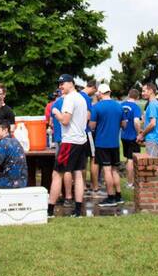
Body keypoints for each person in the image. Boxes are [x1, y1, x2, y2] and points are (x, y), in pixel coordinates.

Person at [49, 74, 90, 217]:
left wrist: (56, 112)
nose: (60, 87)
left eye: (63, 84)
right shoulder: (81, 98)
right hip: (81, 140)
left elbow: (65, 120)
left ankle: (50, 210)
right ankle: (78, 211)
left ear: (71, 83)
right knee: (78, 174)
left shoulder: (69, 98)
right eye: (59, 84)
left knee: (57, 174)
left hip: (69, 140)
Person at [88, 83, 124, 205]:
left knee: (107, 170)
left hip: (102, 143)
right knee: (115, 170)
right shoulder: (119, 106)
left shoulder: (97, 107)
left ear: (100, 93)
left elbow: (92, 126)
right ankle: (119, 196)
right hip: (115, 142)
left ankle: (111, 197)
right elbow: (124, 125)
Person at [120, 86, 142, 183]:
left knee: (128, 159)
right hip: (133, 136)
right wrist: (139, 134)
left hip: (123, 136)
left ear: (128, 95)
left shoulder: (121, 105)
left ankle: (129, 181)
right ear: (137, 97)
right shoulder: (136, 107)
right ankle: (130, 182)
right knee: (131, 160)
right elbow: (136, 121)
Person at [138, 82, 158, 156]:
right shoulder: (156, 103)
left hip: (153, 140)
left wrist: (142, 135)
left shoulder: (152, 104)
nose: (142, 93)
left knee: (151, 166)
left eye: (144, 91)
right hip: (157, 140)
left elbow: (153, 124)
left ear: (151, 91)